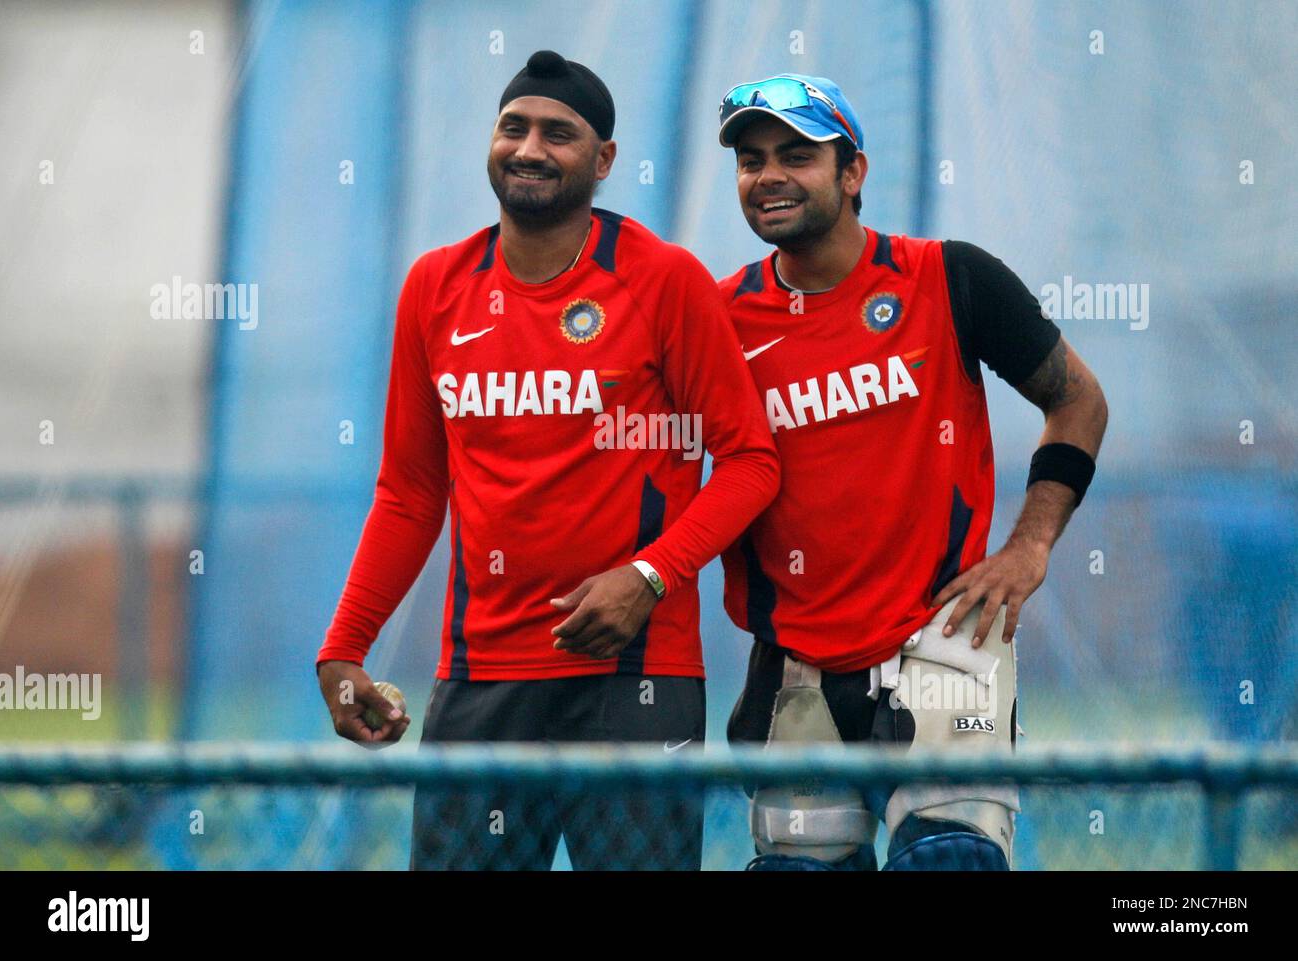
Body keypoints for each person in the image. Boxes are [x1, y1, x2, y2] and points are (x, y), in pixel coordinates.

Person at [315, 51, 779, 870]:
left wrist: (649, 575)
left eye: (558, 134)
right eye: (513, 127)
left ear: (602, 161)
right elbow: (411, 491)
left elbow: (749, 461)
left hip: (636, 680)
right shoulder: (436, 286)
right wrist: (346, 644)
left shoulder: (663, 279)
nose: (529, 148)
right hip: (480, 678)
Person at [715, 74, 1108, 870]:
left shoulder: (950, 278)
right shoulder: (718, 320)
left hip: (945, 635)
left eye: (798, 154)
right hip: (797, 656)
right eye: (751, 159)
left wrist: (1029, 547)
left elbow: (1080, 404)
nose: (769, 175)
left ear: (852, 171)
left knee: (948, 860)